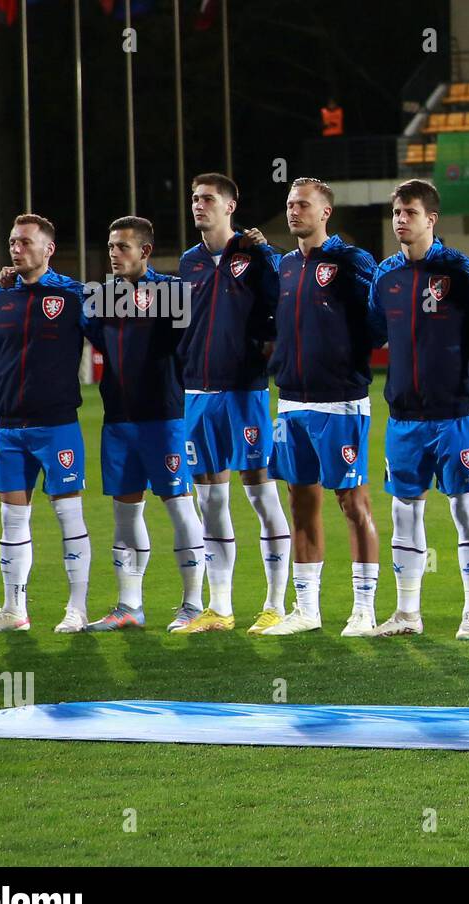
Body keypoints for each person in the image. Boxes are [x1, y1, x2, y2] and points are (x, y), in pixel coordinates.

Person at [367, 179, 469, 639]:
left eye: (410, 212)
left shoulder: (461, 271)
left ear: (431, 219)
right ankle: (407, 614)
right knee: (404, 512)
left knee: (465, 509)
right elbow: (376, 331)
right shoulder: (385, 276)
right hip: (403, 418)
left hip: (454, 415)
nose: (401, 220)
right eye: (396, 212)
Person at [261, 178, 382, 636]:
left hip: (342, 402)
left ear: (325, 212)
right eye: (290, 204)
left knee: (352, 502)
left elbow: (376, 324)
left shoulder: (351, 260)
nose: (295, 211)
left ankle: (364, 609)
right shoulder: (287, 264)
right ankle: (307, 610)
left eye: (304, 205)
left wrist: (344, 356)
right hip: (292, 400)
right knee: (300, 502)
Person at [175, 172, 290, 634]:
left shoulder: (255, 255)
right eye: (194, 198)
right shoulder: (188, 262)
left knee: (262, 494)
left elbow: (286, 295)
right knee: (211, 501)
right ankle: (219, 609)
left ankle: (275, 605)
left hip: (245, 393)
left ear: (230, 205)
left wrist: (266, 250)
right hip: (198, 394)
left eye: (207, 199)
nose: (198, 205)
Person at [0, 214, 93, 633]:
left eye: (24, 242)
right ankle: (14, 610)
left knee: (68, 516)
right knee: (12, 520)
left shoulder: (73, 295)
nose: (16, 248)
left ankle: (77, 608)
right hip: (10, 427)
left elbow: (117, 340)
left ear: (48, 249)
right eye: (12, 242)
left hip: (57, 424)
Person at [83, 216, 206, 632]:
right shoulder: (102, 297)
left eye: (123, 247)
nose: (114, 254)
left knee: (179, 507)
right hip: (118, 419)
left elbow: (193, 344)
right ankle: (129, 607)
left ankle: (192, 604)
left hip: (164, 419)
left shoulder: (172, 292)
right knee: (124, 514)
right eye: (111, 246)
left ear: (145, 251)